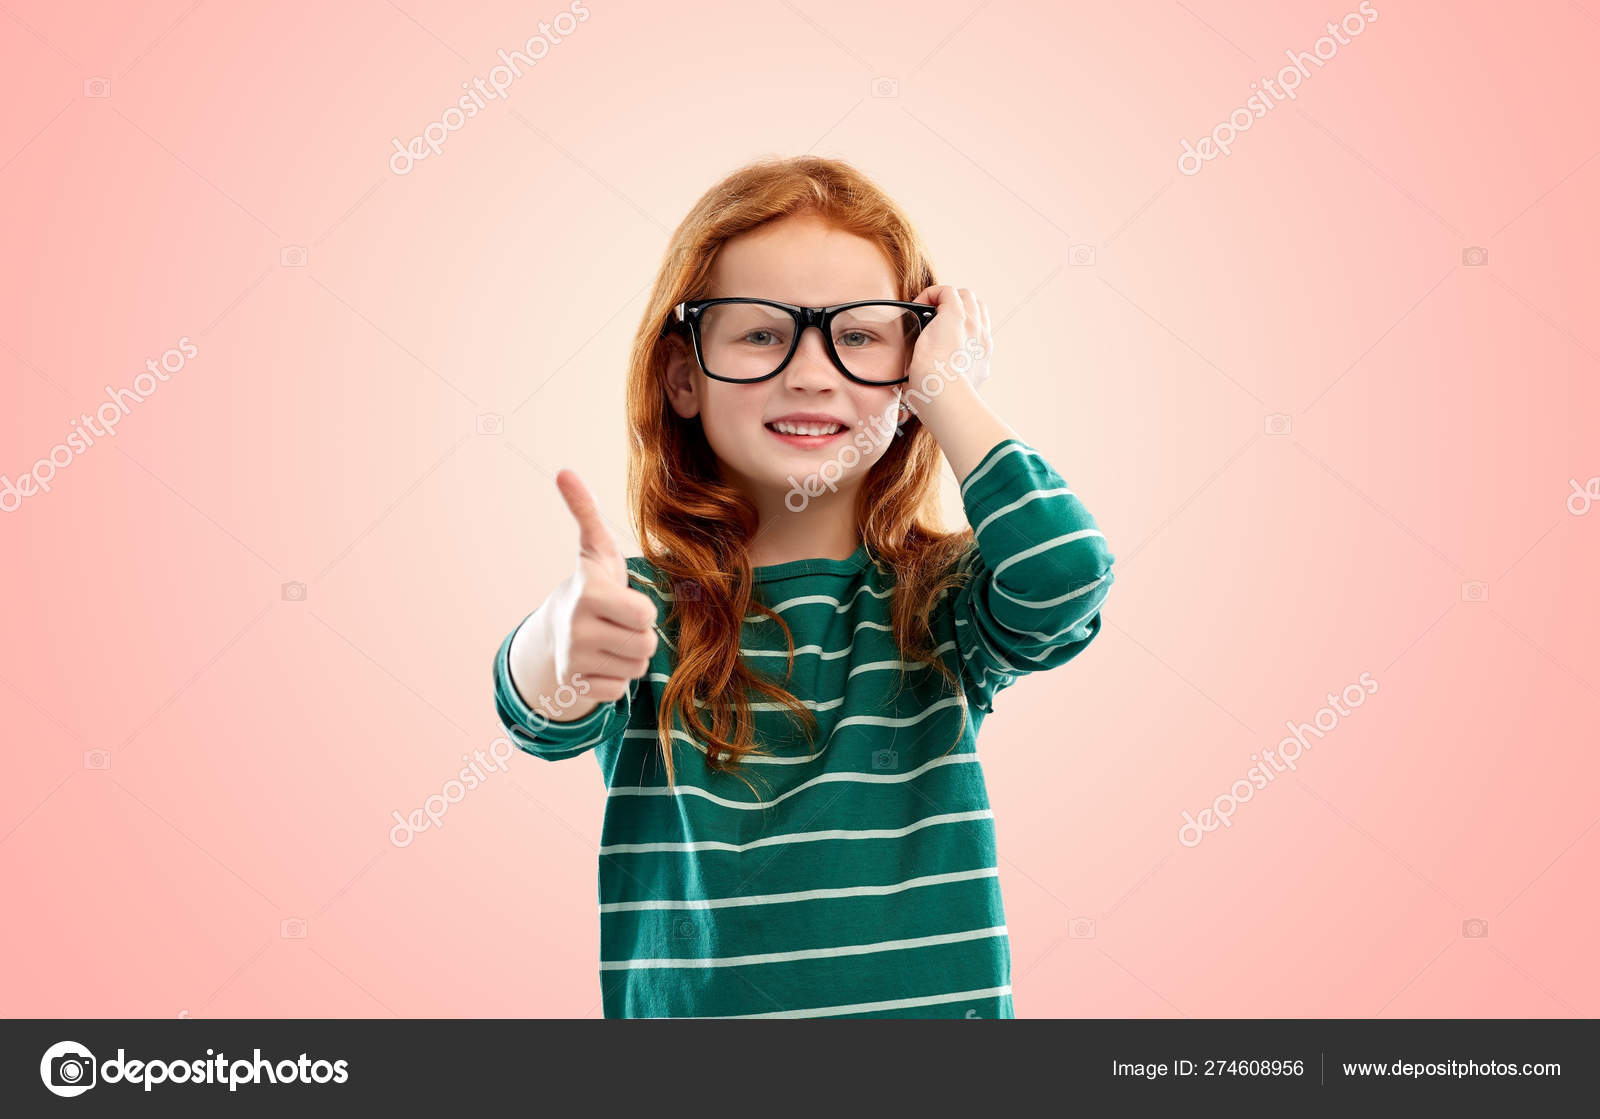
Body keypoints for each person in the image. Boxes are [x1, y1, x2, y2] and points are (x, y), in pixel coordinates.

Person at [493, 155, 1115, 1018]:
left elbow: (1065, 573)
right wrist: (555, 644)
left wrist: (947, 389)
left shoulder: (939, 598)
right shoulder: (643, 610)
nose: (812, 372)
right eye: (758, 333)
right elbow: (538, 715)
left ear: (909, 374)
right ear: (682, 376)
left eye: (859, 337)